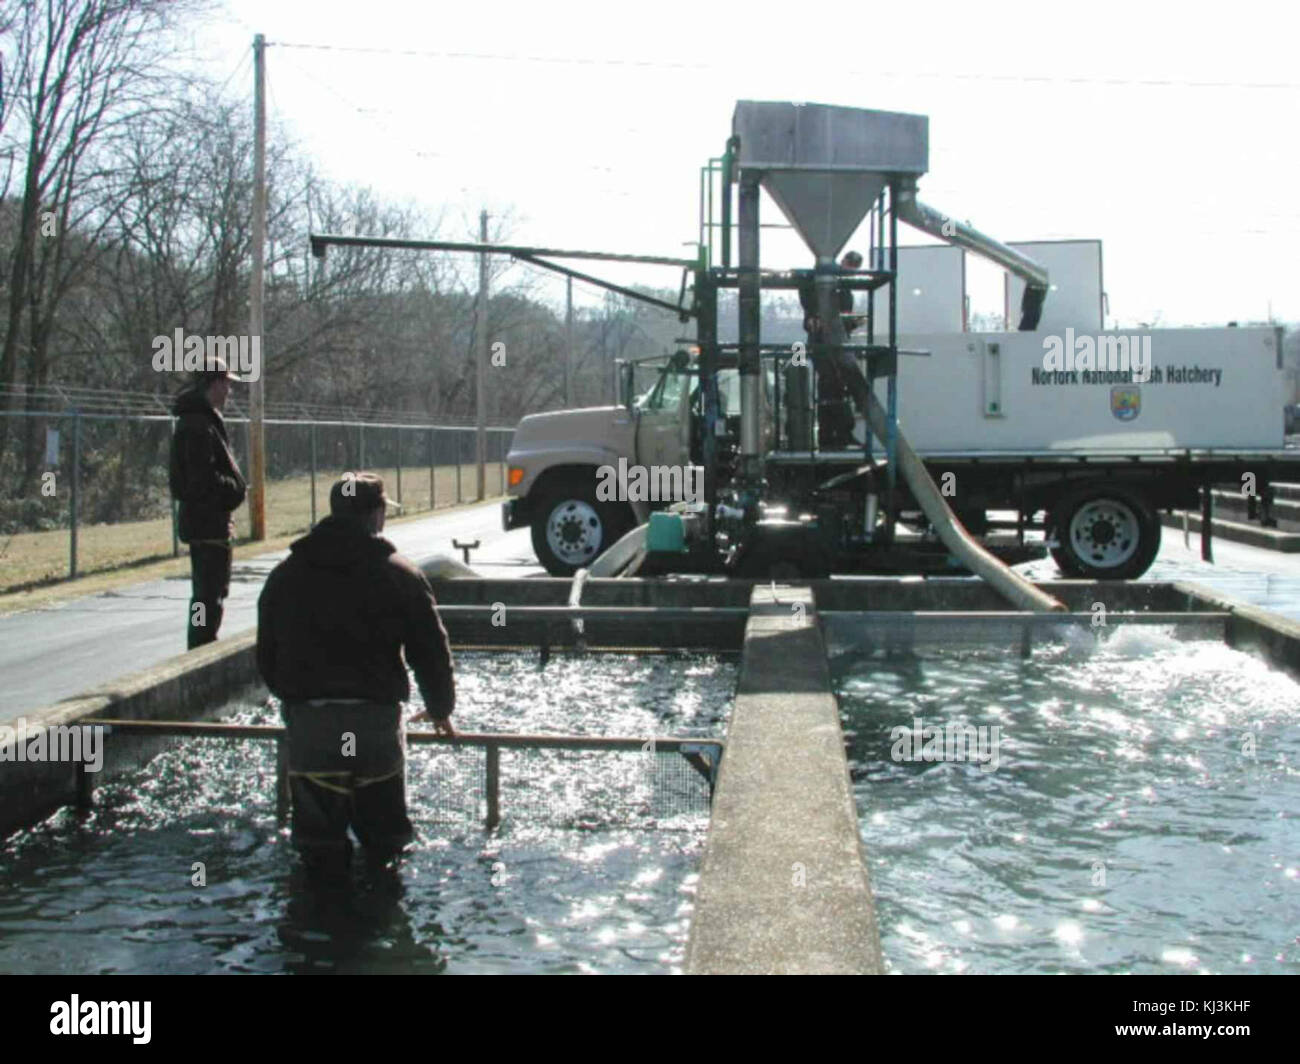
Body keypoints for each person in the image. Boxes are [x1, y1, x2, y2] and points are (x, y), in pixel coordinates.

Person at [256, 472, 456, 878]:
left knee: (317, 851)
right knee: (385, 851)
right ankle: (380, 927)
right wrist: (440, 708)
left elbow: (268, 656)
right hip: (373, 728)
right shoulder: (400, 574)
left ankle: (318, 929)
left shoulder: (286, 576)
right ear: (377, 515)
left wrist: (296, 704)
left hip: (312, 728)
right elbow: (430, 652)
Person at [169, 356, 247, 649]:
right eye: (226, 383)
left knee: (209, 592)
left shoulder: (202, 421)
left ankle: (201, 639)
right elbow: (202, 478)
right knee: (206, 594)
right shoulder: (198, 426)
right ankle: (200, 643)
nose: (229, 391)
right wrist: (233, 489)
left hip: (209, 522)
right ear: (213, 383)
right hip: (207, 523)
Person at [798, 250, 866, 449]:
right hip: (822, 343)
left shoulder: (845, 293)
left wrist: (852, 323)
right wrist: (813, 317)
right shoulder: (821, 286)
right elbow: (807, 295)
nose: (850, 270)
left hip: (837, 344)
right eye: (849, 265)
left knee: (838, 387)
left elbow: (840, 324)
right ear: (842, 262)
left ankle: (841, 434)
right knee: (830, 385)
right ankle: (830, 436)